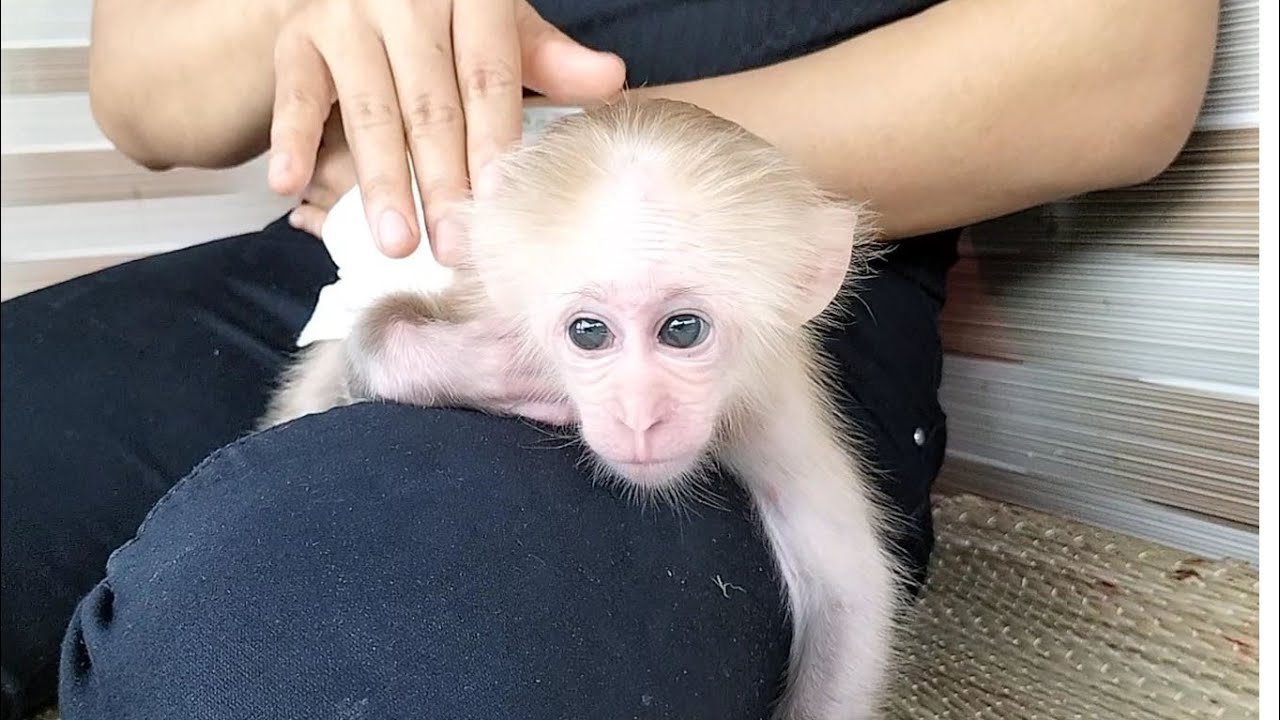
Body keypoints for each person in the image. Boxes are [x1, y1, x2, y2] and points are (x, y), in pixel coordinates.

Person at [0, 1, 1218, 717]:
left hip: (731, 257)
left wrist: (536, 177)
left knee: (343, 645)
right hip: (356, 250)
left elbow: (1115, 72)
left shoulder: (759, 298)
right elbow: (146, 96)